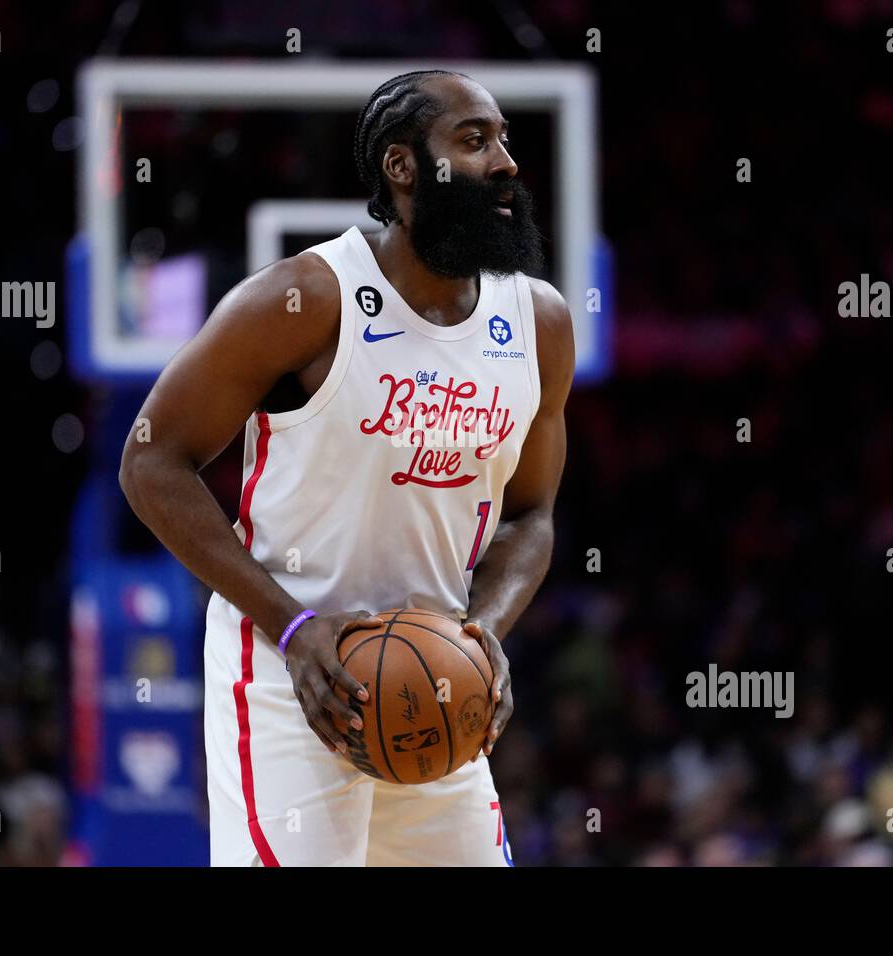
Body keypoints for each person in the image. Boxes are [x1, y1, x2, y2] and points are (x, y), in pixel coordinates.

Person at [120, 69, 574, 865]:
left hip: (430, 682)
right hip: (288, 680)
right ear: (402, 168)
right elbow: (152, 460)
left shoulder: (538, 321)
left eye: (505, 140)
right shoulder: (305, 298)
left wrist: (485, 634)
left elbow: (531, 515)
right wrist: (293, 630)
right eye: (473, 141)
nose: (505, 162)